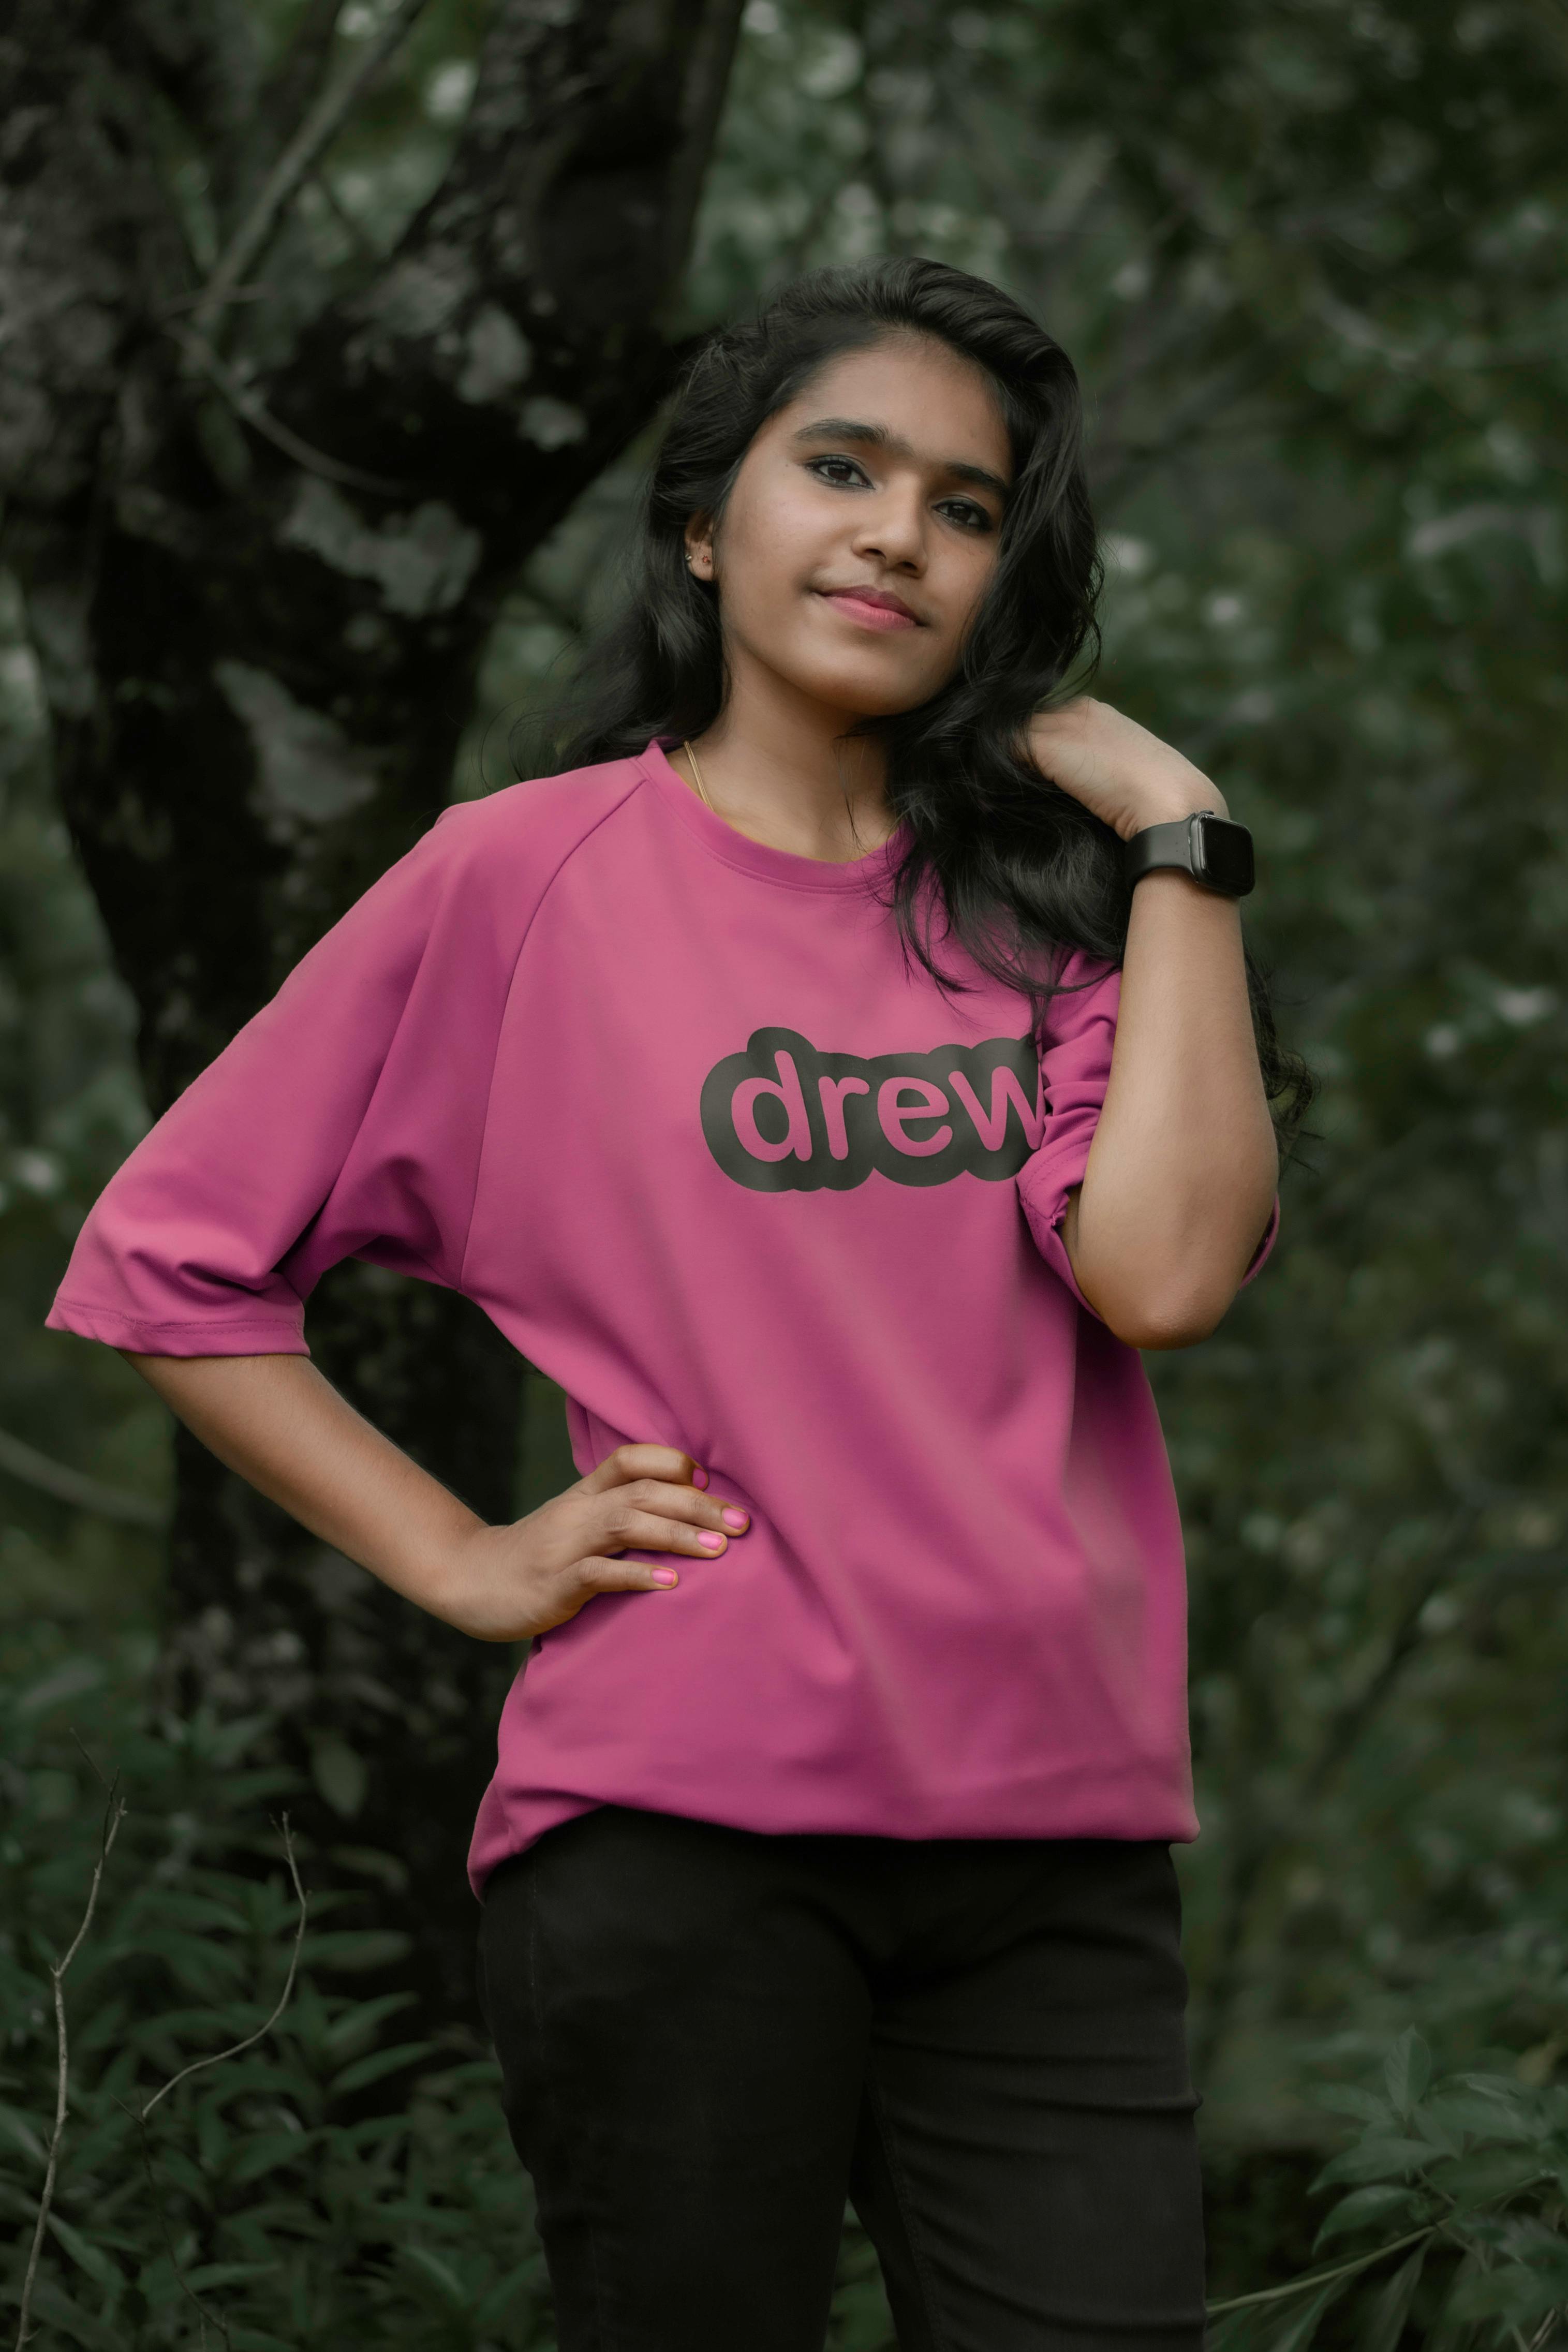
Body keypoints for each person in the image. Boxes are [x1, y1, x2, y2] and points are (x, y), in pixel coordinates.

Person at [46, 256, 1299, 2351]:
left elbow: (1161, 1275)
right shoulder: (518, 879)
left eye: (966, 507)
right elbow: (169, 1261)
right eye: (842, 469)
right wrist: (461, 1557)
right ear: (708, 523)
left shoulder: (1065, 903)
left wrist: (1183, 841)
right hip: (680, 1831)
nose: (898, 536)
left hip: (1051, 1845)